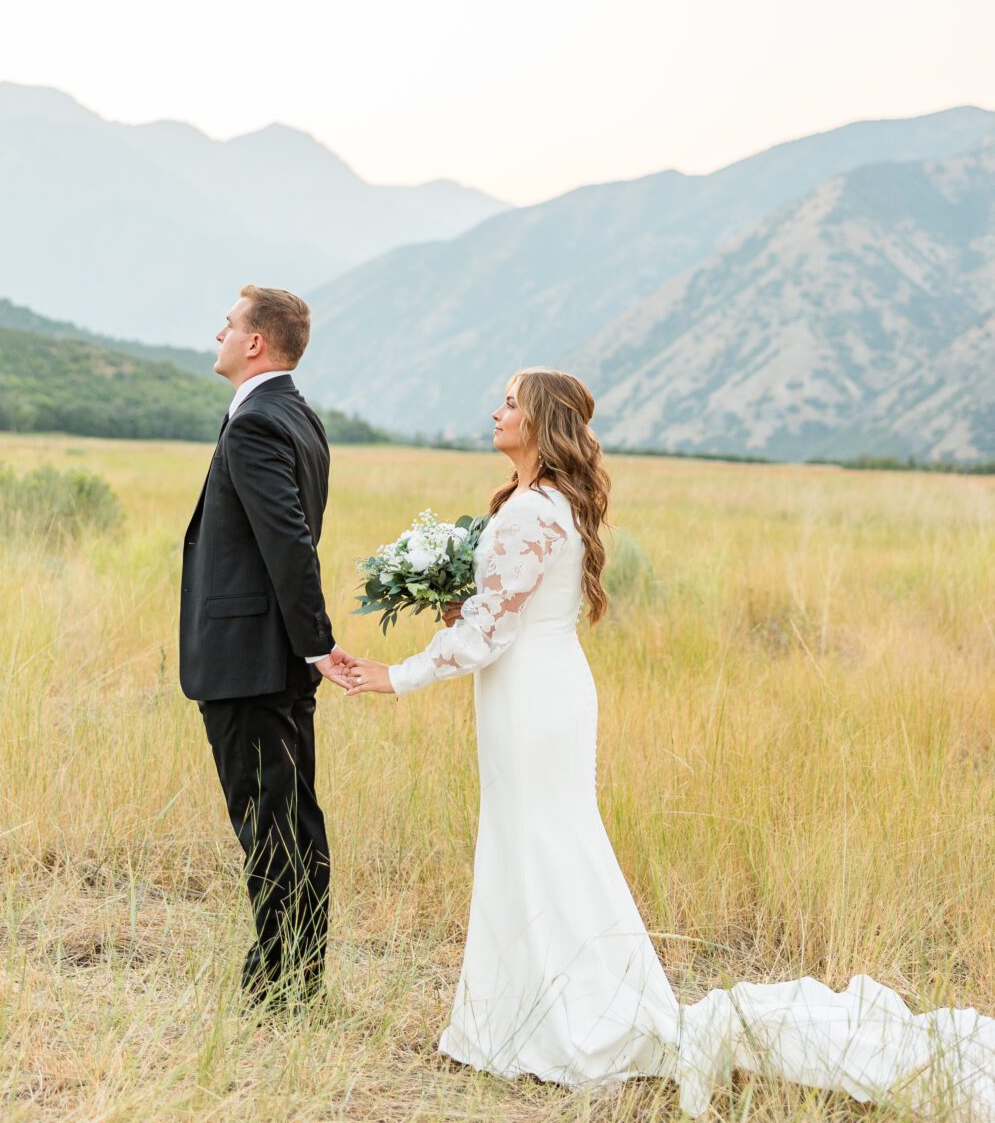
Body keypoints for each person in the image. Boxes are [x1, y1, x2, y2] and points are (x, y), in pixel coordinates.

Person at [343, 368, 995, 1118]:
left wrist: (395, 674)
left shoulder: (530, 511)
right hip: (537, 687)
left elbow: (488, 634)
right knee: (541, 840)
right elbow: (500, 612)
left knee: (540, 840)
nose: (494, 411)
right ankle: (533, 1011)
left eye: (510, 404)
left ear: (541, 421)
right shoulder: (543, 502)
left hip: (530, 694)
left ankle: (552, 1025)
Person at [179, 285, 352, 1007]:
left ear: (255, 343)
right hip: (268, 655)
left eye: (228, 324)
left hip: (251, 658)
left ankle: (282, 984)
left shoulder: (256, 423)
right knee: (288, 816)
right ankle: (289, 975)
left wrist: (317, 645)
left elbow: (288, 540)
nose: (217, 332)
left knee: (270, 821)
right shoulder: (297, 416)